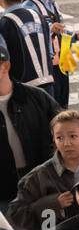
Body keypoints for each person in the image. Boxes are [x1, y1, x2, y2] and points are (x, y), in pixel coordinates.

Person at [9, 109, 79, 230]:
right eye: (59, 138)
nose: (66, 143)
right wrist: (51, 203)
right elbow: (16, 214)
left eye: (73, 136)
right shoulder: (39, 176)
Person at [0, 35, 60, 209]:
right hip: (3, 193)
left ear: (5, 66)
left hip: (42, 186)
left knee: (47, 225)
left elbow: (65, 130)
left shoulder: (37, 97)